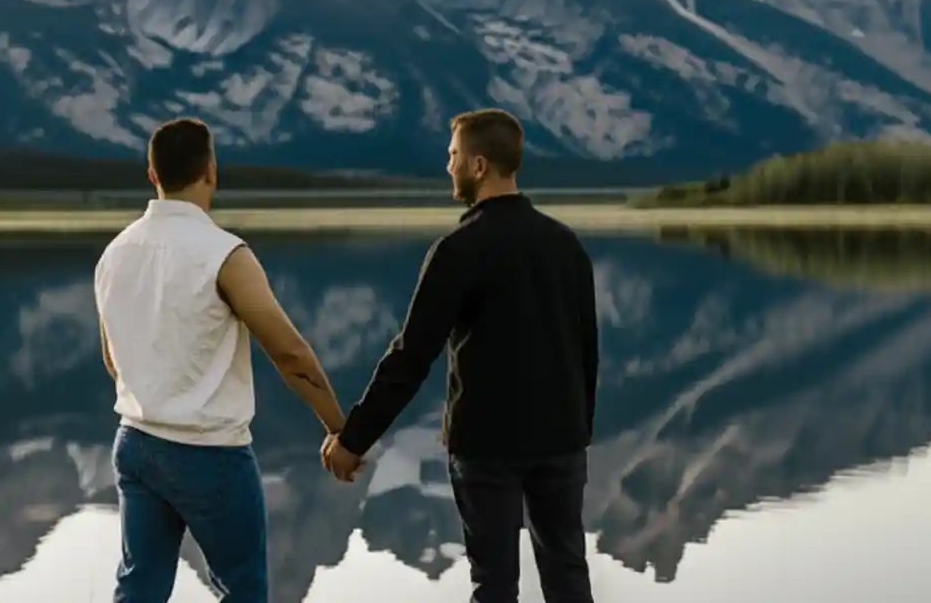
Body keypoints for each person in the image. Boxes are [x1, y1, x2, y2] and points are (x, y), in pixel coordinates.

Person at [321, 109, 599, 602]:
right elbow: (587, 352)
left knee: (492, 585)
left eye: (453, 156)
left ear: (478, 166)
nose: (446, 166)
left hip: (485, 446)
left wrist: (353, 438)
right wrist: (578, 429)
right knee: (568, 576)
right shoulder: (566, 245)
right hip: (561, 440)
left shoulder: (458, 249)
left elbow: (410, 357)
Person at [95, 118, 346, 603]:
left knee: (139, 588)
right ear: (211, 171)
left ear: (152, 174)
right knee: (243, 588)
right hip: (210, 453)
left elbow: (113, 360)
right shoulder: (224, 253)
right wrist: (340, 428)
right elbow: (290, 352)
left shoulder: (115, 253)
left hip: (136, 443)